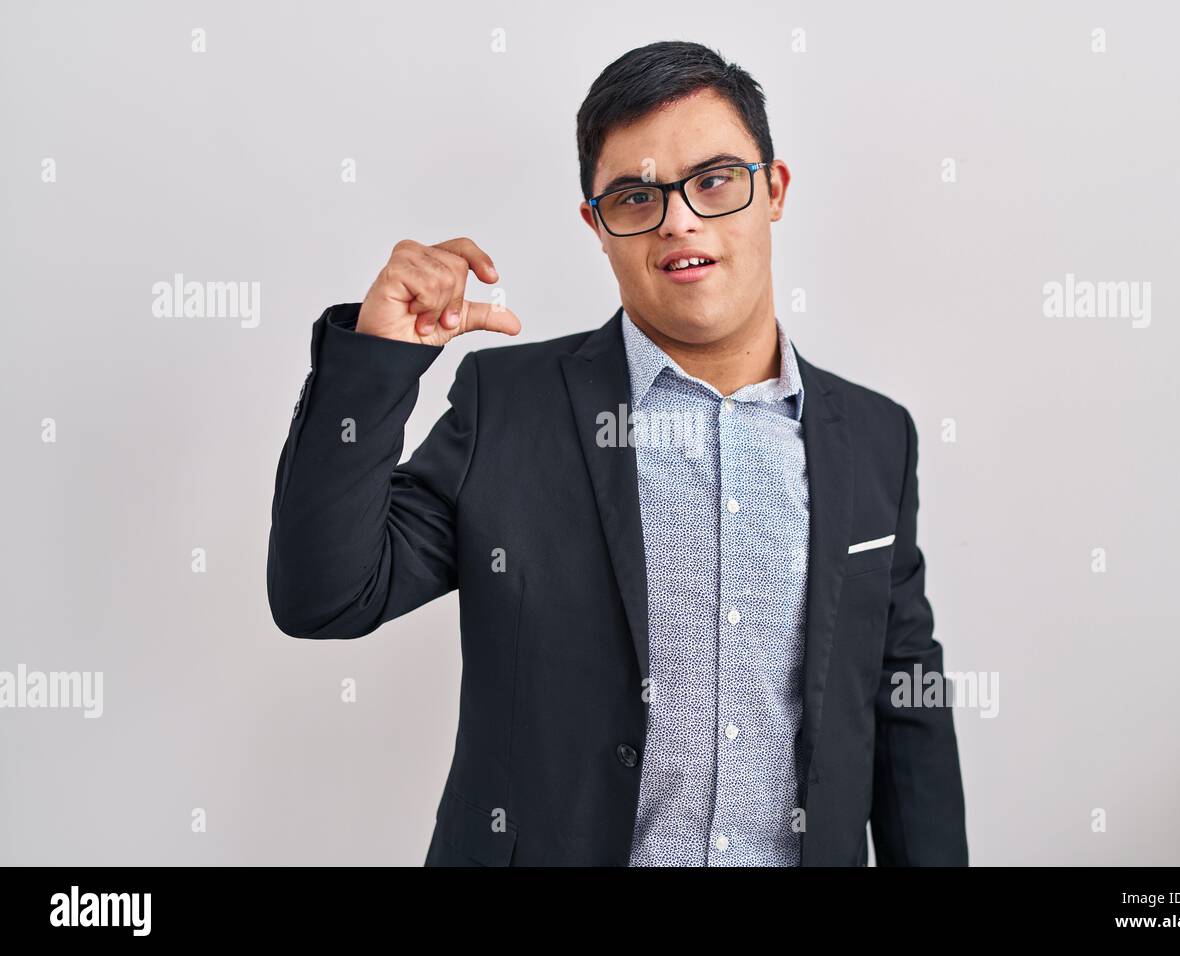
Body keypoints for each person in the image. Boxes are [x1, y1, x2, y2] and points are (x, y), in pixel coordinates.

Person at [267, 40, 968, 867]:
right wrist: (375, 363)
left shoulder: (877, 436)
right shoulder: (511, 408)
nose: (678, 219)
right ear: (597, 226)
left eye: (713, 181)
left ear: (773, 190)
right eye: (636, 196)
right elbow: (325, 596)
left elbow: (903, 704)